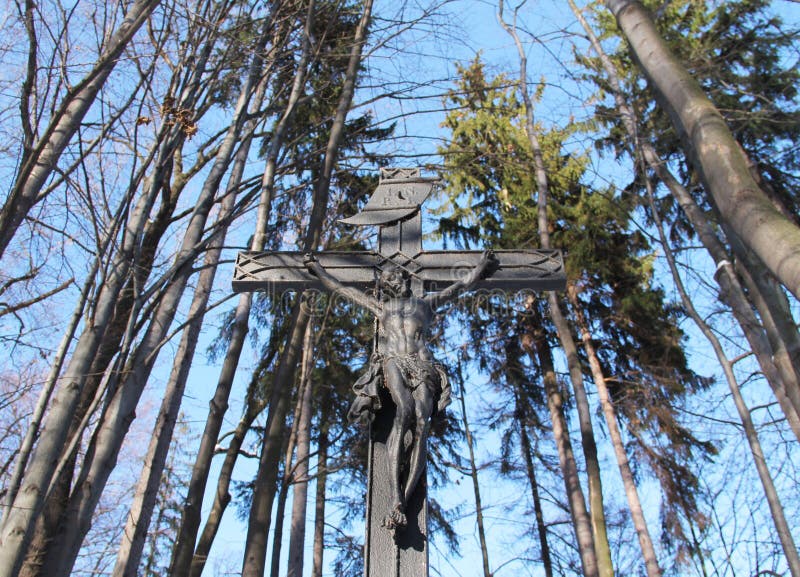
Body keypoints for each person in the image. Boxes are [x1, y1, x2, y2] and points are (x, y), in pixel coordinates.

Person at [304, 250, 496, 531]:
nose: (398, 279)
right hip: (394, 361)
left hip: (423, 365)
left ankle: (402, 501)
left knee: (422, 423)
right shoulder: (382, 308)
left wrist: (481, 268)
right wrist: (317, 269)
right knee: (404, 410)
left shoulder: (425, 304)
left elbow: (459, 286)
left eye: (399, 276)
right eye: (391, 278)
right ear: (386, 286)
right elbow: (342, 288)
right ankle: (394, 495)